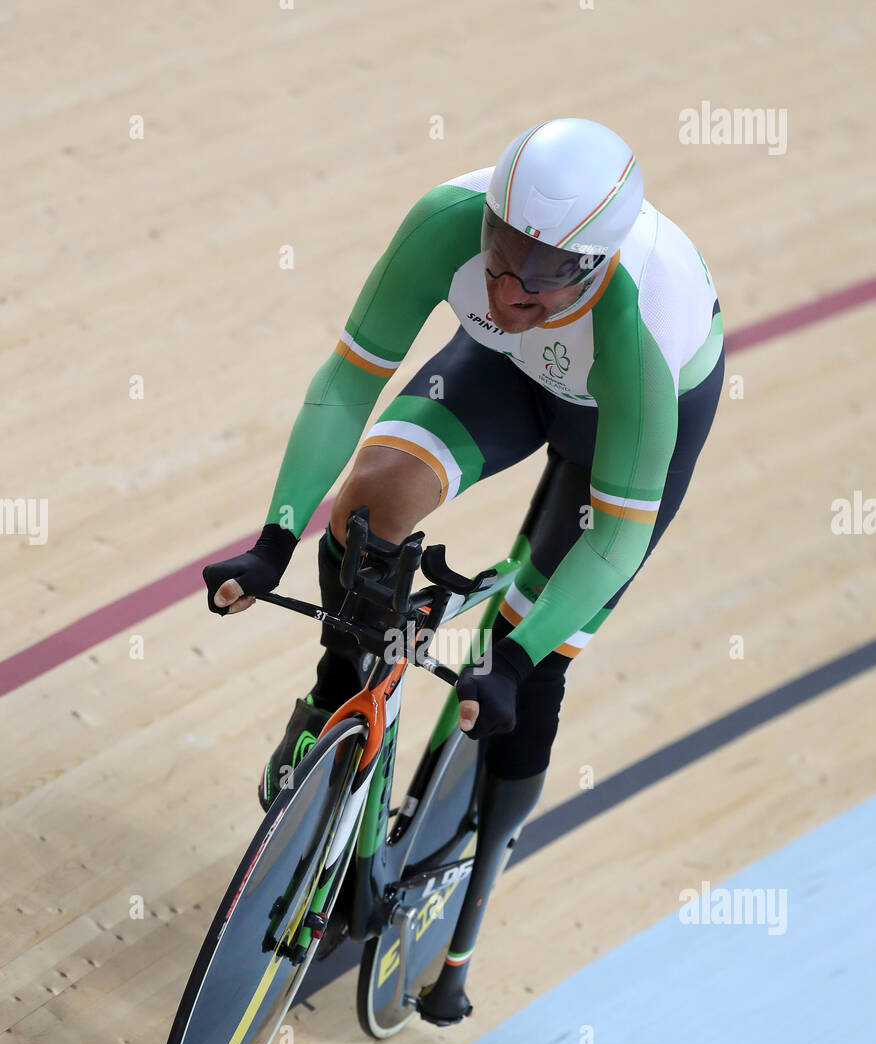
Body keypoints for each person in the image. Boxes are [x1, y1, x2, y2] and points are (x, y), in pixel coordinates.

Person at [204, 115, 724, 856]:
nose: (510, 289)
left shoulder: (638, 327)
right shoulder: (444, 221)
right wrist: (275, 539)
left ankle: (473, 900)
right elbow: (347, 384)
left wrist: (511, 663)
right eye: (502, 252)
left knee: (533, 651)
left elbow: (614, 539)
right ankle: (335, 696)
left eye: (544, 275)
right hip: (508, 375)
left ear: (596, 264)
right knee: (369, 504)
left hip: (625, 419)